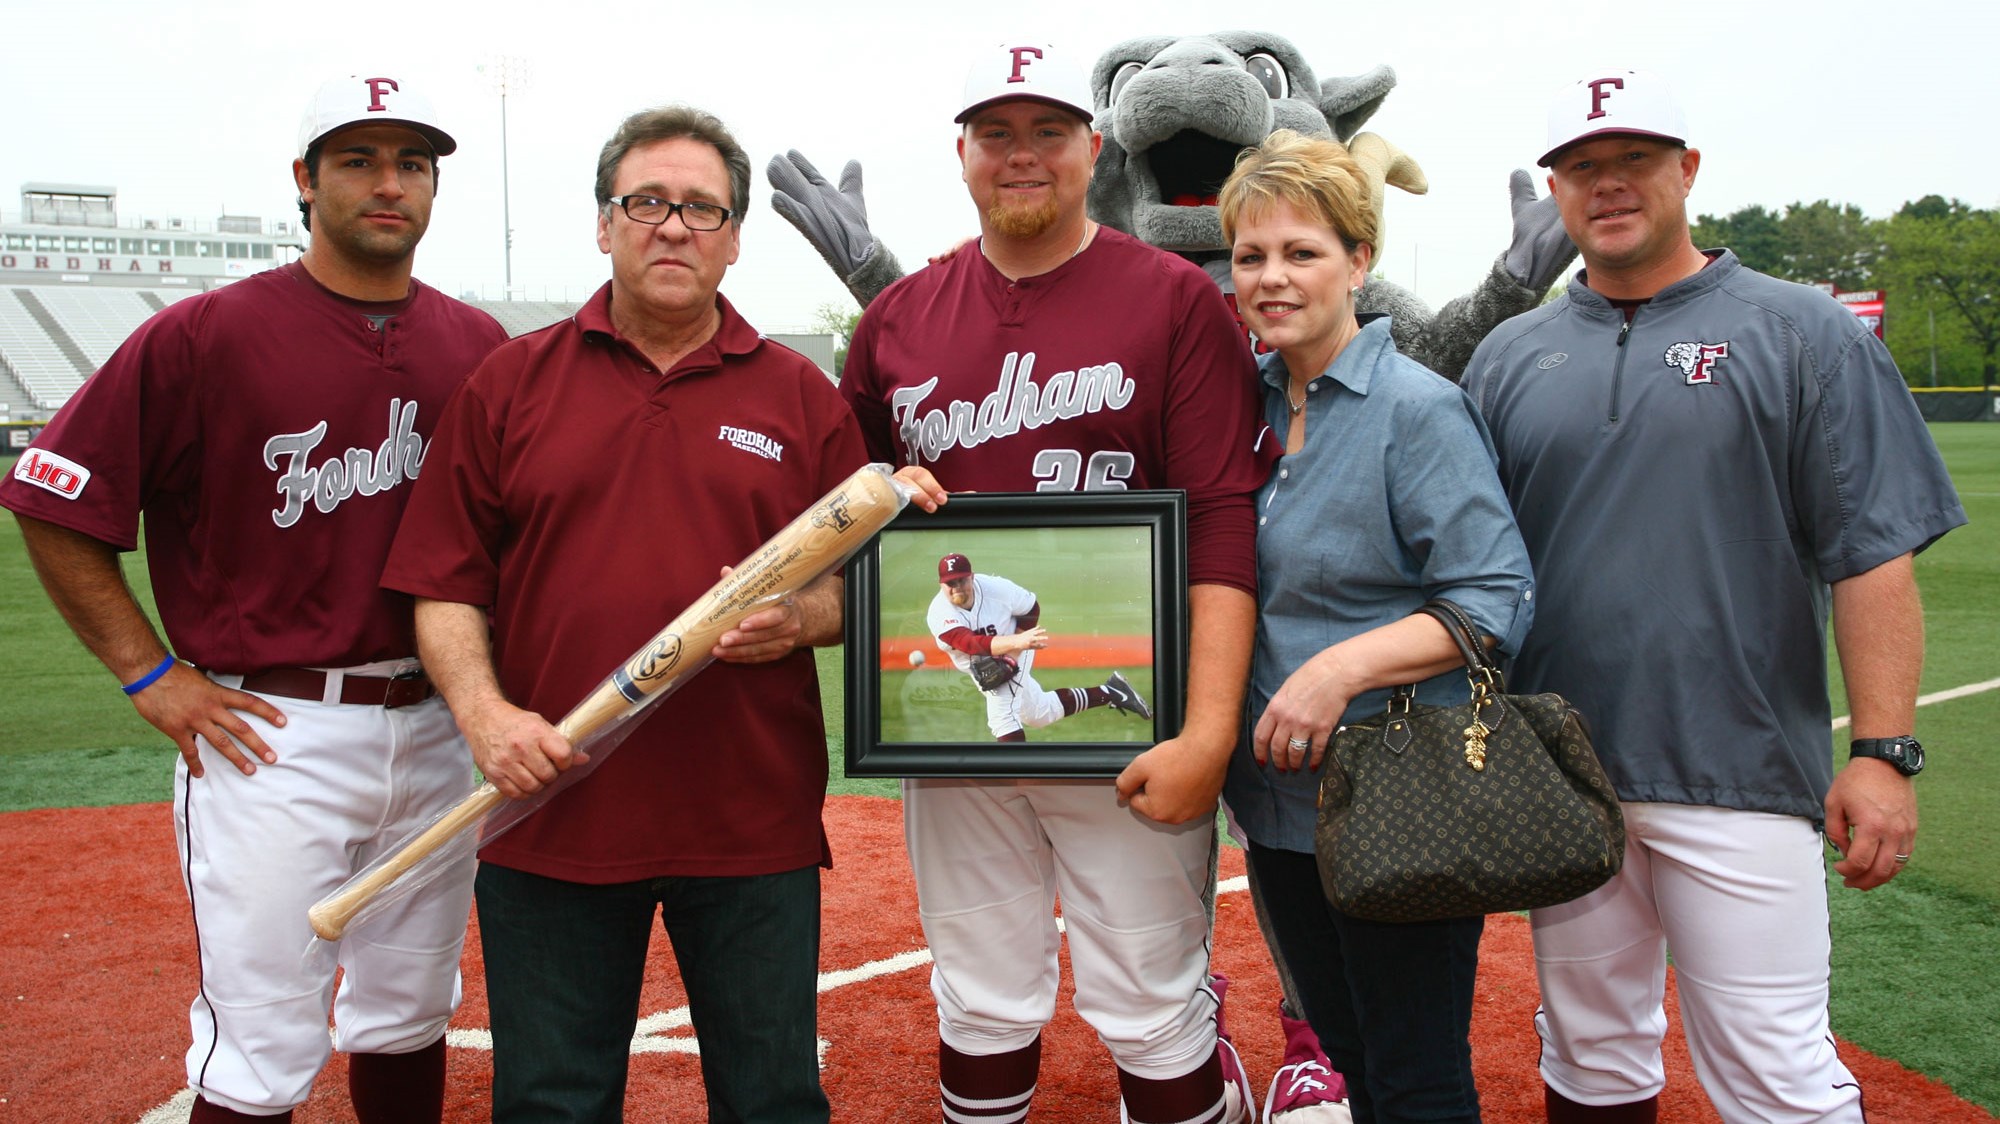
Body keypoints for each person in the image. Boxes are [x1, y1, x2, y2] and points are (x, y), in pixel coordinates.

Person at [1461, 70, 1966, 1122]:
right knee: (1589, 1056)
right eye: (1582, 168)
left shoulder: (1801, 331)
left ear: (1685, 169)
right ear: (1553, 191)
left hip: (1737, 767)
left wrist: (1881, 752)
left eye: (1633, 161)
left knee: (1775, 1071)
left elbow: (1870, 555)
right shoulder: (1508, 356)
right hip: (1561, 771)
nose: (1607, 185)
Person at [0, 75, 504, 1122]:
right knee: (261, 1041)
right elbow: (53, 497)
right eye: (359, 158)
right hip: (273, 732)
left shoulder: (476, 345)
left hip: (437, 722)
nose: (388, 183)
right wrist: (147, 671)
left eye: (412, 162)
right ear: (304, 180)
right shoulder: (204, 334)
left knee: (409, 1014)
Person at [379, 105, 866, 1123]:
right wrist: (483, 716)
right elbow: (443, 582)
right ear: (604, 225)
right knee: (553, 1101)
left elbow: (861, 589)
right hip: (550, 805)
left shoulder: (800, 397)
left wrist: (806, 618)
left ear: (734, 236)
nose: (673, 226)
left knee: (772, 1098)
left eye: (700, 207)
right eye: (645, 202)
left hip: (750, 820)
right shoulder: (510, 382)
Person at [839, 39, 1277, 1124]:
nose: (1020, 155)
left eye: (1045, 132)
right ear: (962, 154)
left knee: (1152, 1000)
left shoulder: (1173, 299)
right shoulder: (899, 318)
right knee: (979, 999)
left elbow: (1223, 520)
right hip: (954, 736)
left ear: (1093, 148)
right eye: (996, 133)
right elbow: (844, 522)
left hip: (1134, 724)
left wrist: (1207, 731)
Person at [1215, 129, 1535, 1124]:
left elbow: (1496, 599)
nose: (1271, 277)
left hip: (1403, 802)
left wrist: (1338, 668)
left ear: (1358, 261)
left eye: (1300, 252)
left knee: (1414, 1072)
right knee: (1351, 1048)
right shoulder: (1248, 405)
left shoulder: (1415, 408)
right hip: (1277, 808)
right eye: (1249, 254)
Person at [927, 551, 1153, 740]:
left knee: (1002, 717)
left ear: (972, 577)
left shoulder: (997, 589)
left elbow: (1031, 608)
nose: (957, 587)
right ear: (941, 584)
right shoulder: (939, 613)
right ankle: (1111, 692)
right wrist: (1015, 644)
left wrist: (1014, 653)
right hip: (993, 655)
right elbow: (969, 643)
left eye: (962, 580)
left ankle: (1017, 783)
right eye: (950, 583)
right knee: (1039, 713)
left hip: (1017, 647)